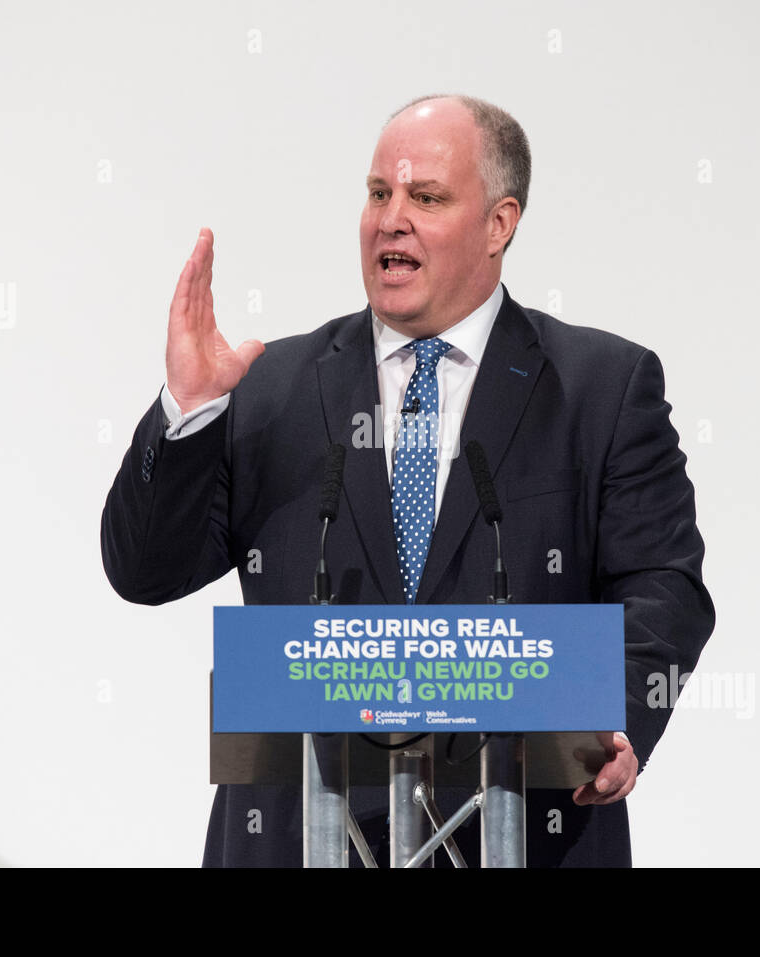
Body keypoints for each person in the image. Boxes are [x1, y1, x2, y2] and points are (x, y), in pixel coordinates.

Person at [101, 94, 715, 867]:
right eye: (378, 194)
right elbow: (143, 570)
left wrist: (615, 719)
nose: (391, 220)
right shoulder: (273, 386)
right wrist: (189, 411)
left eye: (426, 198)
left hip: (527, 829)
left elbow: (664, 587)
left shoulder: (600, 387)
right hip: (297, 837)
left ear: (500, 224)